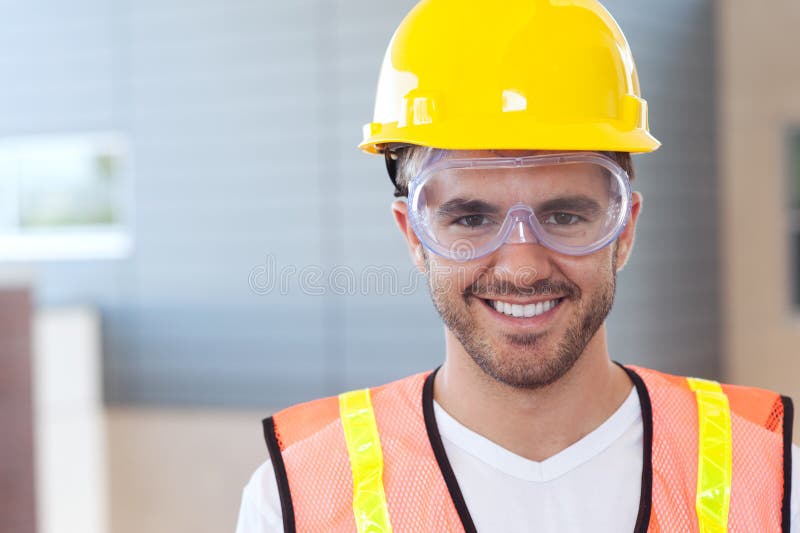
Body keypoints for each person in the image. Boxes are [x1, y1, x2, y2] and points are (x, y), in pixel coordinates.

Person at [236, 1, 798, 531]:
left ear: (623, 229)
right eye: (472, 220)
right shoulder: (298, 498)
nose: (523, 266)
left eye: (565, 216)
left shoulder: (769, 481)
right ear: (413, 235)